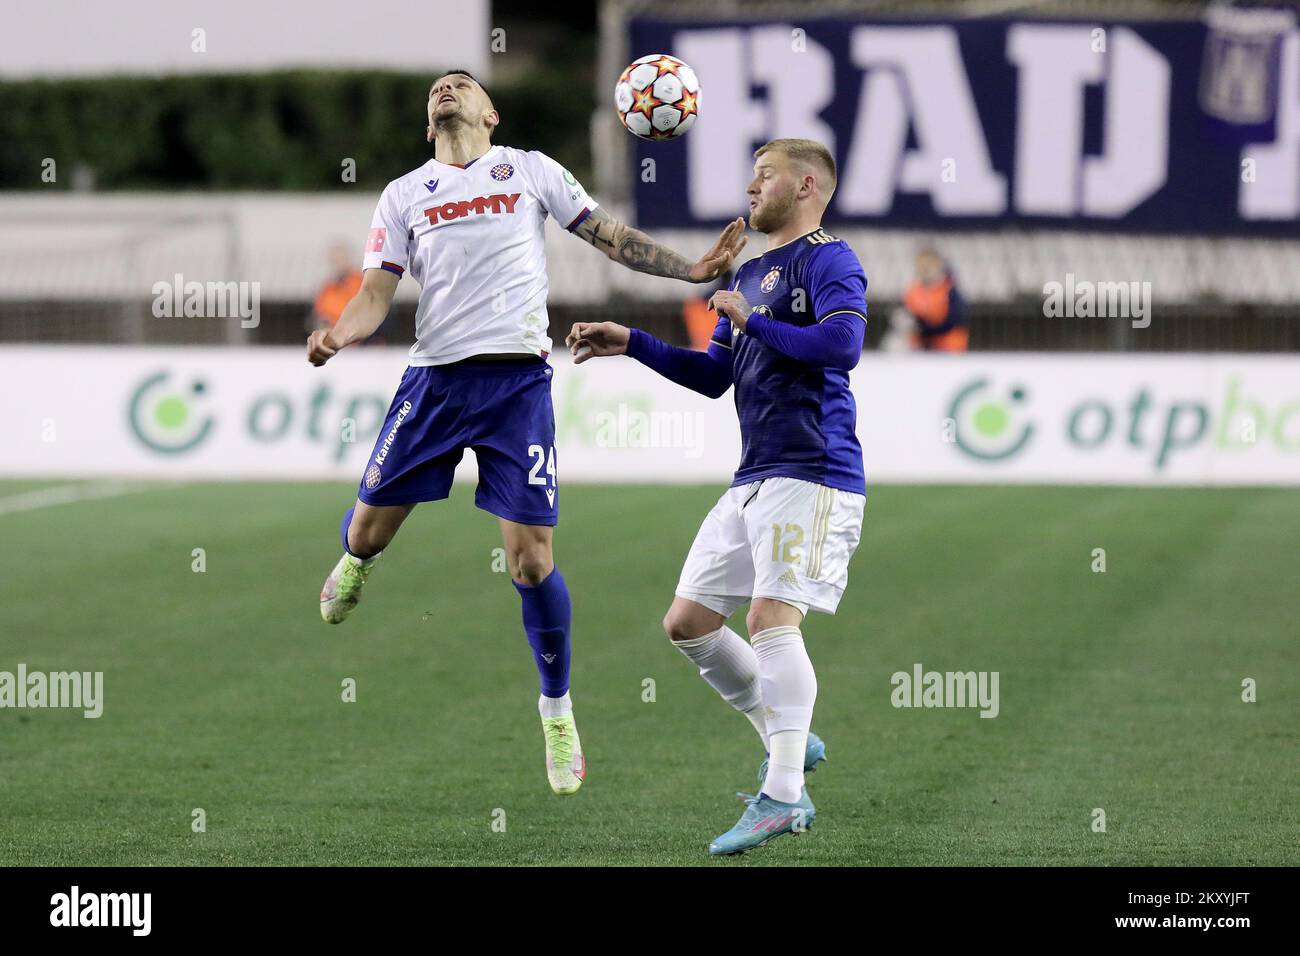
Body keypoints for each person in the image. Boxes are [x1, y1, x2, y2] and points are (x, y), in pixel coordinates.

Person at [305, 69, 746, 796]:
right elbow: (373, 296)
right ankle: (354, 561)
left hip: (517, 387)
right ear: (428, 125)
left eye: (461, 84)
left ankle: (557, 710)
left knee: (532, 562)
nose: (446, 89)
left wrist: (690, 270)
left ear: (490, 112)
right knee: (369, 533)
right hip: (437, 384)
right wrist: (339, 335)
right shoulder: (403, 195)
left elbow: (610, 237)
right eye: (437, 89)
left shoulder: (532, 170)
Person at [565, 138, 867, 854]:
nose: (751, 187)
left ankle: (784, 794)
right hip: (754, 475)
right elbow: (712, 377)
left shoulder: (831, 259)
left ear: (807, 185)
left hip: (813, 470)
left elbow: (842, 346)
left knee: (770, 617)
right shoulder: (754, 270)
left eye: (764, 176)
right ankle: (787, 738)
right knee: (688, 622)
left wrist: (751, 321)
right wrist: (633, 341)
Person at [903, 248, 968, 351]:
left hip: (948, 348)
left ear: (938, 266)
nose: (924, 270)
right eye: (921, 266)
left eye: (928, 266)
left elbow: (954, 321)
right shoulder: (912, 291)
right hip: (921, 348)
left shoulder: (949, 290)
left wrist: (923, 328)